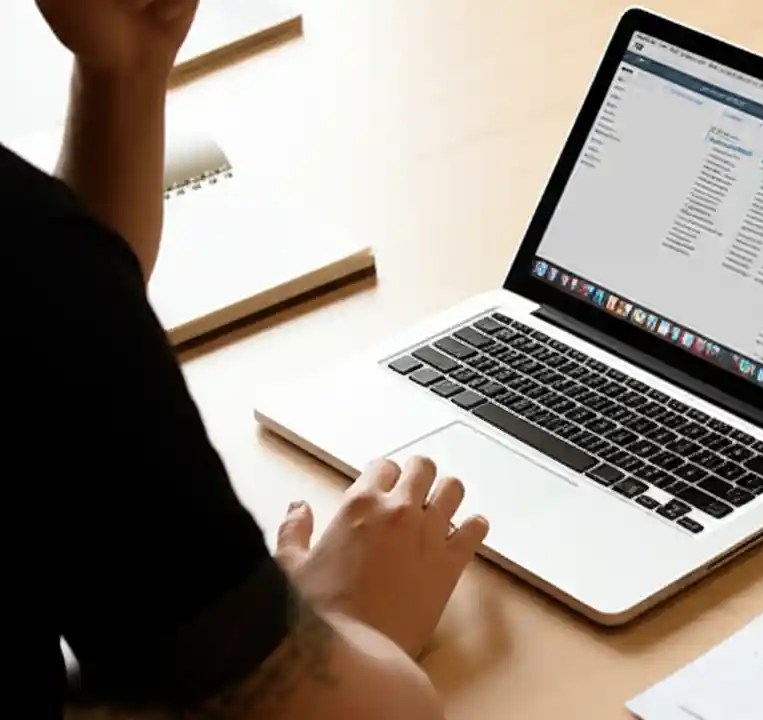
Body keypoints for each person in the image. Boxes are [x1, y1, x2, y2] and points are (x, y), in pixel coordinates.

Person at [9, 1, 489, 717]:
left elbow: (49, 370)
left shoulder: (43, 277)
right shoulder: (34, 263)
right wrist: (338, 621)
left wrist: (128, 68)